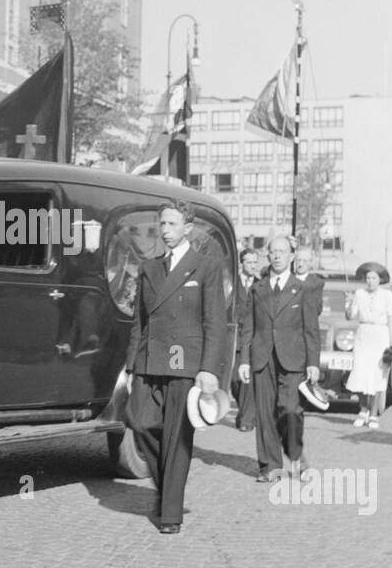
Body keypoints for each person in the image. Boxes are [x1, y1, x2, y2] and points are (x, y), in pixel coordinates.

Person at [124, 200, 230, 534]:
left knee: (176, 438)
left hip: (185, 363)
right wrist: (131, 368)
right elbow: (139, 322)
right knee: (140, 423)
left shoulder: (205, 266)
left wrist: (210, 369)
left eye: (172, 224)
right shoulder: (149, 268)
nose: (165, 231)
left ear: (188, 228)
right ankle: (167, 486)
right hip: (150, 359)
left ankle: (170, 513)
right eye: (162, 225)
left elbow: (215, 321)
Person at [237, 234, 321, 483]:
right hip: (262, 358)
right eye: (273, 252)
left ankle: (297, 460)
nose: (277, 256)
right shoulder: (257, 289)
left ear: (291, 256)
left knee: (289, 410)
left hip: (293, 359)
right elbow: (248, 327)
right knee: (265, 414)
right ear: (268, 255)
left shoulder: (303, 289)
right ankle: (270, 467)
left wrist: (313, 363)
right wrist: (244, 359)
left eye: (282, 252)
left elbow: (311, 329)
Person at [345, 265, 392, 428]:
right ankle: (362, 410)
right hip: (363, 335)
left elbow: (391, 320)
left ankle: (374, 414)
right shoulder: (359, 294)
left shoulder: (387, 295)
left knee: (377, 375)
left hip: (380, 335)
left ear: (379, 280)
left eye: (373, 278)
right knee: (360, 372)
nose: (370, 281)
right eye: (367, 278)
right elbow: (349, 316)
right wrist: (348, 303)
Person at [231, 247, 261, 432]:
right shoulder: (231, 283)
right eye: (248, 262)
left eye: (254, 262)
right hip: (234, 338)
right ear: (241, 263)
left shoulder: (260, 284)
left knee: (247, 380)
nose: (252, 266)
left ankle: (247, 419)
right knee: (235, 380)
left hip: (252, 338)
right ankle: (243, 411)